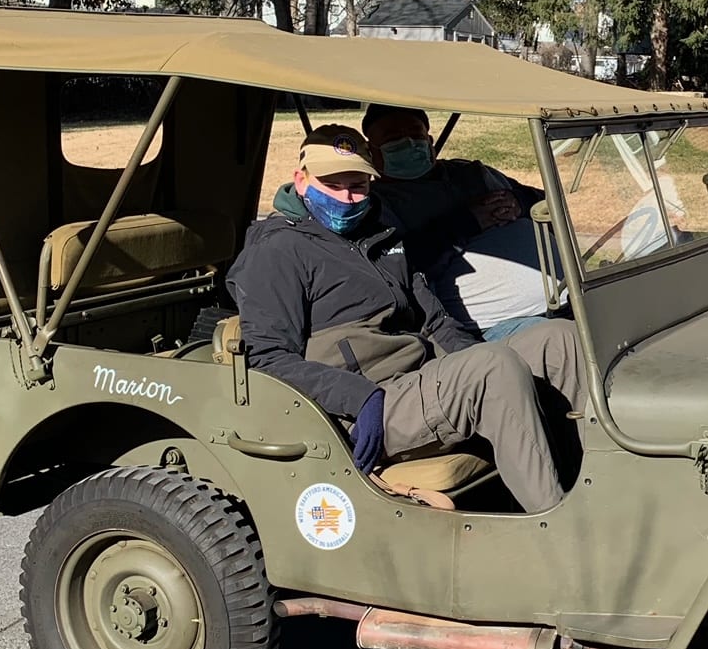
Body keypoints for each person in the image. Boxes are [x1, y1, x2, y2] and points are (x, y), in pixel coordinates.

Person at [225, 125, 583, 514]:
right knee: (492, 369)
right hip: (363, 402)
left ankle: (595, 489)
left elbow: (435, 322)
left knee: (559, 340)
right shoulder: (277, 250)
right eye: (333, 184)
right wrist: (358, 398)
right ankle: (556, 527)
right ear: (301, 180)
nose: (347, 197)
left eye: (358, 185)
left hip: (418, 378)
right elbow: (268, 359)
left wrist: (468, 358)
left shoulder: (381, 234)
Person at [361, 104, 557, 341]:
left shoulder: (471, 173)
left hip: (565, 296)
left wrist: (519, 202)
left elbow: (547, 203)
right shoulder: (376, 203)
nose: (409, 143)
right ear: (370, 152)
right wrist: (466, 223)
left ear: (430, 141)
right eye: (394, 139)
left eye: (416, 135)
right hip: (489, 327)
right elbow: (397, 264)